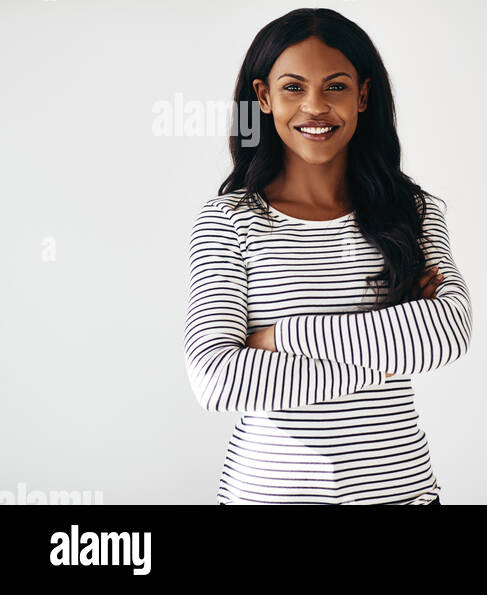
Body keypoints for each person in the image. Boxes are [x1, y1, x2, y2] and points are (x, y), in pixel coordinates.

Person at [183, 8, 471, 504]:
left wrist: (280, 337)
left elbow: (447, 332)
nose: (315, 107)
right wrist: (391, 352)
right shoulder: (228, 220)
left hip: (401, 493)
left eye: (335, 87)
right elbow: (216, 379)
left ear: (362, 95)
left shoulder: (413, 211)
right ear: (264, 97)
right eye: (293, 88)